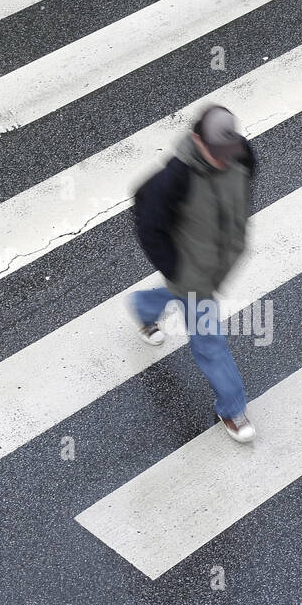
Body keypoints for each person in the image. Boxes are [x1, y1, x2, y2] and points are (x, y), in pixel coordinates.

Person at [130, 105, 257, 443]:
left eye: (226, 151)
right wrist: (174, 267)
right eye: (216, 152)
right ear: (196, 140)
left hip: (219, 262)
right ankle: (232, 409)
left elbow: (244, 188)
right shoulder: (175, 176)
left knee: (175, 296)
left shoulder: (241, 156)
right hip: (192, 273)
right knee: (209, 343)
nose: (222, 159)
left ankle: (143, 308)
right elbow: (146, 218)